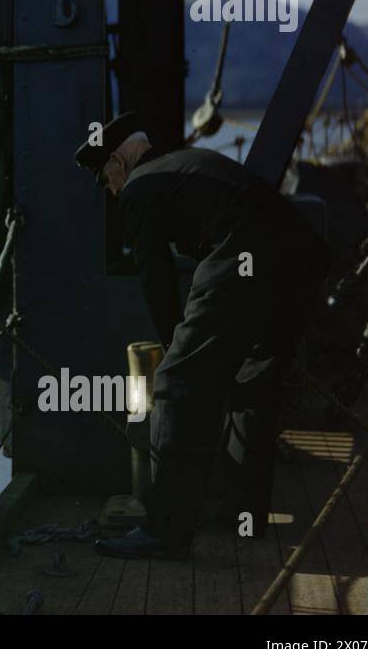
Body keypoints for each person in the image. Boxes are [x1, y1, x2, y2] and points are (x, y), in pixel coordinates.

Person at [74, 112, 331, 559]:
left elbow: (155, 279)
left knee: (176, 385)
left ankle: (165, 532)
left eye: (103, 179)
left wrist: (175, 349)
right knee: (253, 382)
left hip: (243, 255)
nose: (109, 190)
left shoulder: (139, 187)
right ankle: (243, 514)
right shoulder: (186, 162)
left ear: (118, 161)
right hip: (302, 259)